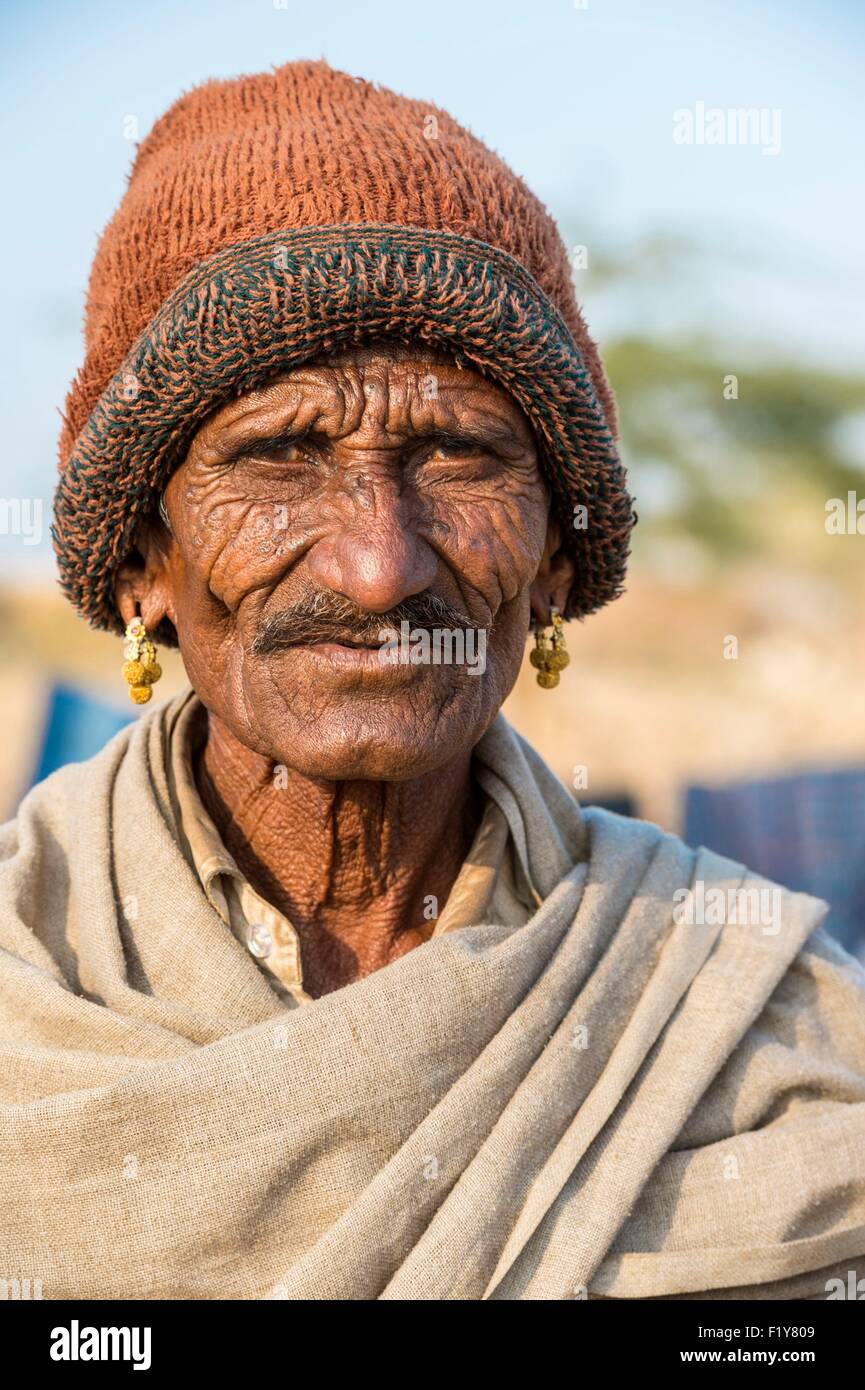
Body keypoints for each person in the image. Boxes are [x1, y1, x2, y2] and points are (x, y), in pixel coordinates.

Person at [2, 61, 863, 1301]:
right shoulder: (24, 996)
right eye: (281, 458)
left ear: (558, 560)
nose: (375, 566)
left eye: (459, 455)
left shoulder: (760, 1023)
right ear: (144, 560)